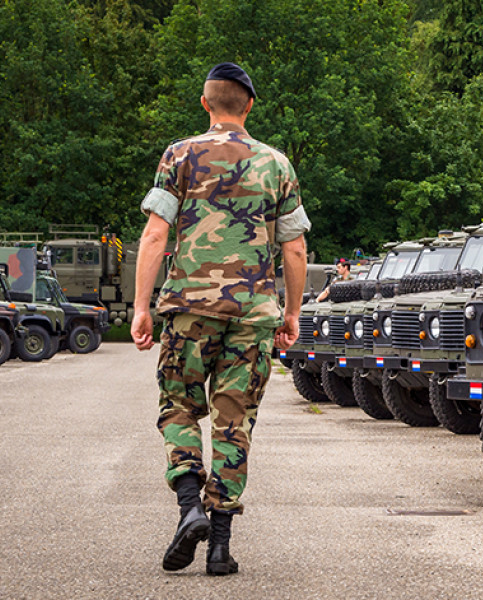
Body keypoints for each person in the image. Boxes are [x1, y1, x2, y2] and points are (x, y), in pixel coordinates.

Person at [131, 62, 311, 576]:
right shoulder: (277, 165)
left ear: (206, 103)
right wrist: (291, 312)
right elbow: (295, 248)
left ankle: (190, 507)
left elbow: (153, 235)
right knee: (235, 424)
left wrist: (142, 307)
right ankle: (220, 548)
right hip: (253, 318)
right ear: (248, 106)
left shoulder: (180, 156)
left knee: (179, 409)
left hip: (189, 311)